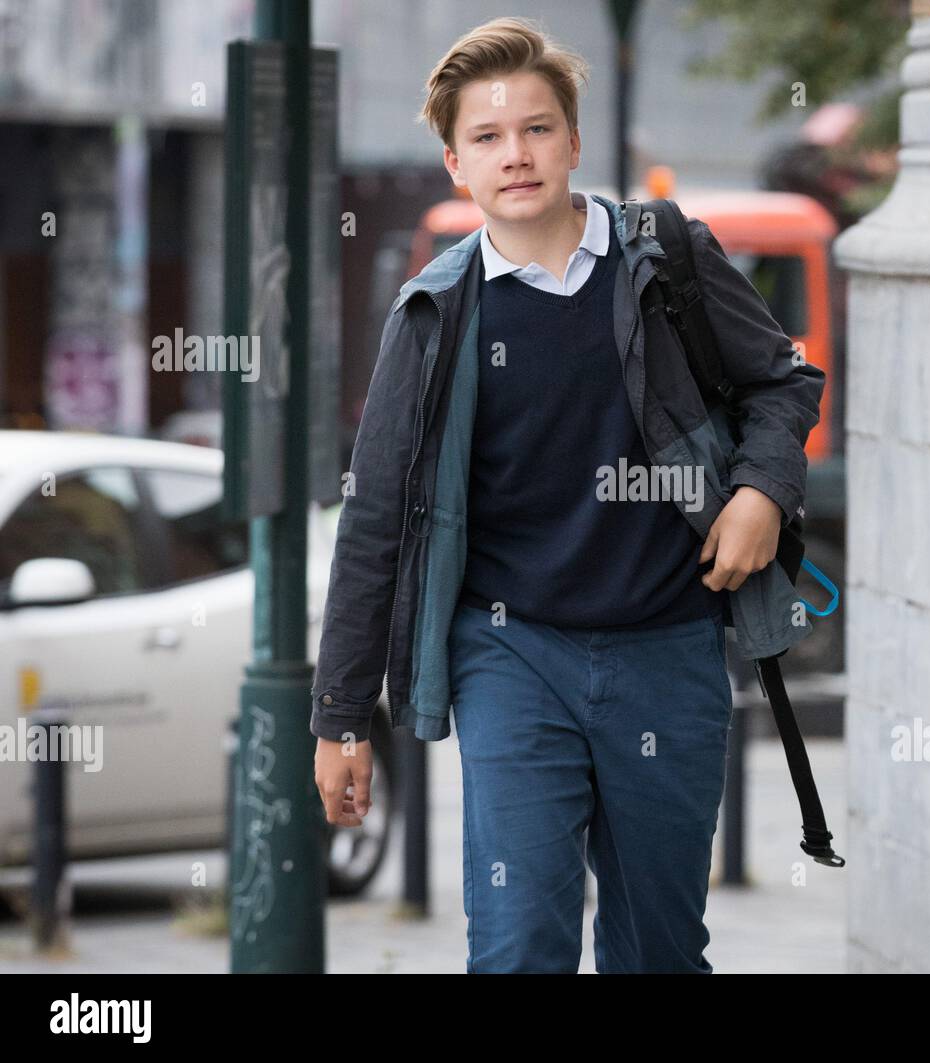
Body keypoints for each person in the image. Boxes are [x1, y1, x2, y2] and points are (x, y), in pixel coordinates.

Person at [311, 15, 825, 973]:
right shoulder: (432, 316)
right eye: (487, 136)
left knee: (657, 950)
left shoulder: (665, 257)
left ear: (575, 142)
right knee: (517, 947)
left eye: (537, 128)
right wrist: (341, 714)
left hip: (668, 648)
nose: (516, 154)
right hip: (511, 656)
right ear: (457, 165)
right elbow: (374, 517)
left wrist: (760, 490)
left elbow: (784, 381)